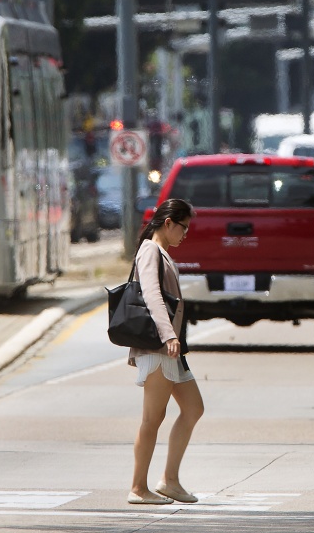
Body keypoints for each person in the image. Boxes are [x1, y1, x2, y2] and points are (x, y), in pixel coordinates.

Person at [127, 198, 203, 505]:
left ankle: (170, 481)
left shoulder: (163, 254)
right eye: (183, 227)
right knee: (152, 418)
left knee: (194, 407)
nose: (185, 234)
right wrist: (168, 334)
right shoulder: (150, 251)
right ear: (168, 223)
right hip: (159, 346)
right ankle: (138, 488)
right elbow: (153, 296)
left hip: (171, 350)